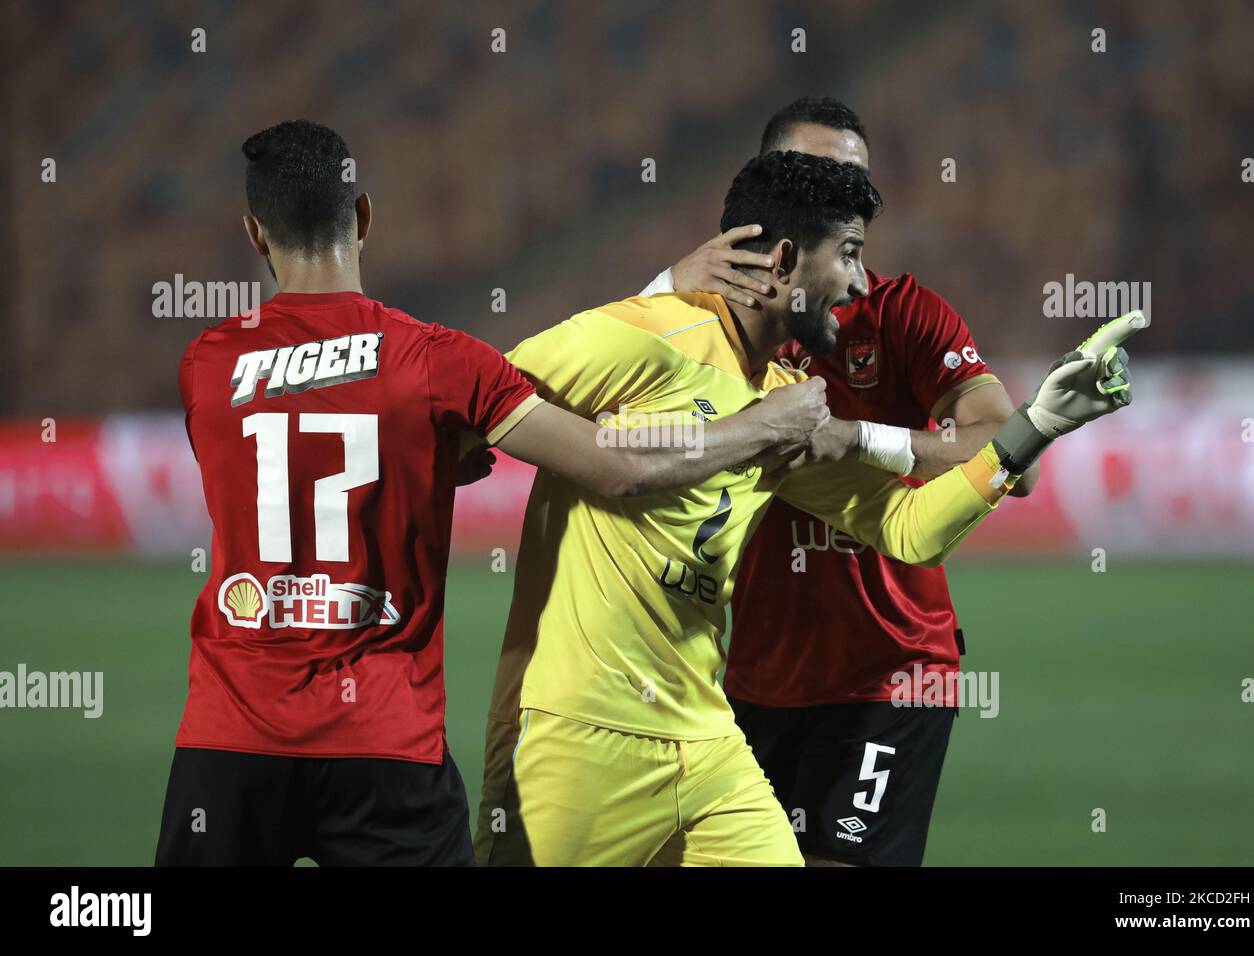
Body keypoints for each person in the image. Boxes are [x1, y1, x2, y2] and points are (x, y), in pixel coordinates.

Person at [154, 120, 829, 867]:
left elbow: (312, 443)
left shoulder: (205, 366)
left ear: (255, 233)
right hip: (385, 747)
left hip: (232, 738)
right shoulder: (438, 362)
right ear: (365, 216)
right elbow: (617, 467)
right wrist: (758, 420)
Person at [473, 149, 1135, 866]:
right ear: (784, 259)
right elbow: (479, 402)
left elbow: (904, 529)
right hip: (579, 735)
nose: (857, 281)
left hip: (707, 747)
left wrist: (1034, 426)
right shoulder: (644, 337)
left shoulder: (785, 400)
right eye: (848, 254)